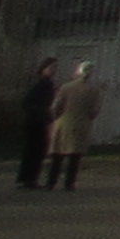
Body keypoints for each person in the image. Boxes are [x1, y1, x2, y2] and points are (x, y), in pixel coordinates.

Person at [43, 60, 100, 189]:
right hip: (82, 124)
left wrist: (56, 118)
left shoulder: (66, 87)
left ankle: (51, 182)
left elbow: (55, 107)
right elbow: (94, 111)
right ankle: (69, 182)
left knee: (57, 154)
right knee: (75, 156)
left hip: (63, 123)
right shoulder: (94, 90)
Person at [14, 61, 61, 189]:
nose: (53, 70)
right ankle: (30, 179)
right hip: (36, 122)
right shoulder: (44, 85)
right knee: (36, 150)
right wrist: (42, 114)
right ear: (43, 69)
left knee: (34, 150)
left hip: (36, 121)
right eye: (50, 68)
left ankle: (28, 178)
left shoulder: (46, 85)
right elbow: (29, 102)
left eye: (54, 68)